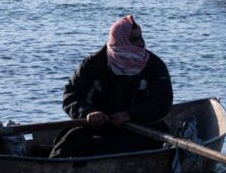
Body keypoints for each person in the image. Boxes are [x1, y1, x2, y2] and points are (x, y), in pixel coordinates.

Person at [49, 15, 173, 158]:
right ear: (121, 40)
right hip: (98, 127)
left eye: (141, 38)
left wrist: (129, 115)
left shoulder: (153, 65)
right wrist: (88, 113)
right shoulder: (93, 64)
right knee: (69, 142)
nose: (141, 44)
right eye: (134, 40)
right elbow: (71, 94)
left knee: (133, 148)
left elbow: (162, 101)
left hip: (140, 127)